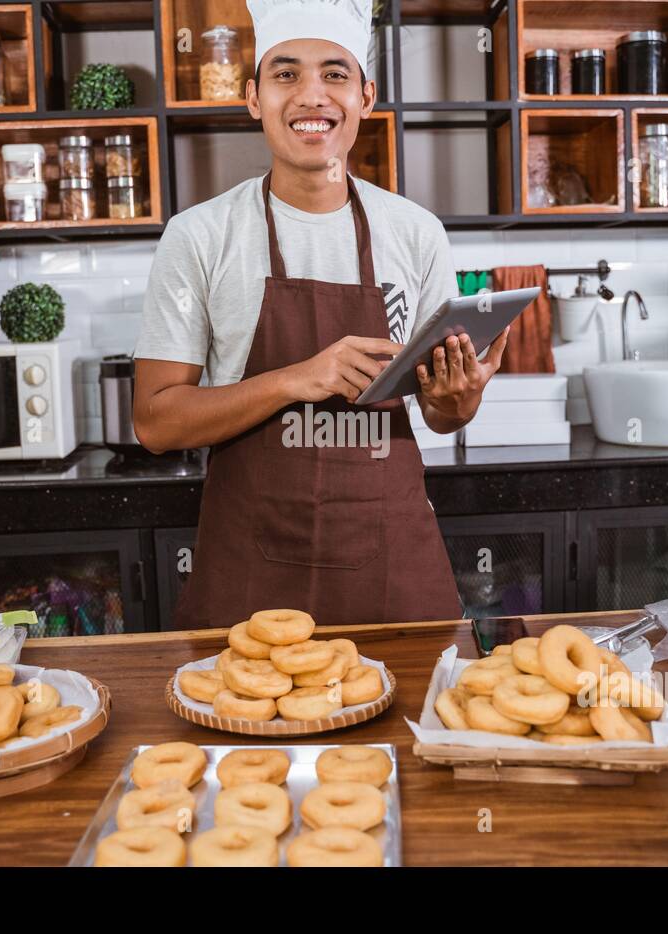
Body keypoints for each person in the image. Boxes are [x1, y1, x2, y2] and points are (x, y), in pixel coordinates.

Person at [133, 0, 509, 628]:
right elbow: (155, 423)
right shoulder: (198, 236)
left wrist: (460, 398)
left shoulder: (416, 234)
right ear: (253, 96)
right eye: (285, 74)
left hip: (388, 569)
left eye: (335, 74)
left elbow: (441, 416)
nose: (312, 96)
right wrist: (296, 379)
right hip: (250, 577)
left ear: (365, 96)